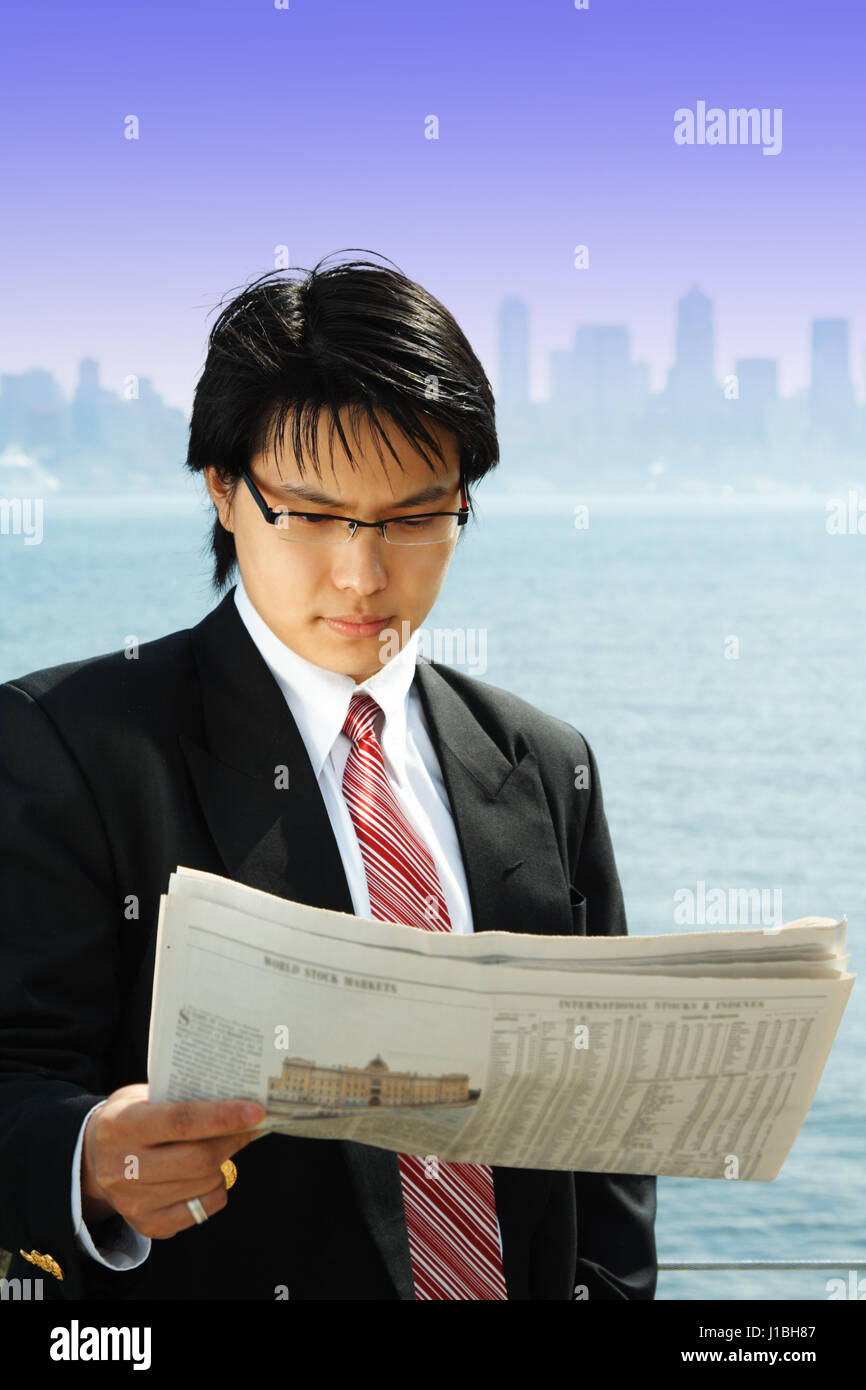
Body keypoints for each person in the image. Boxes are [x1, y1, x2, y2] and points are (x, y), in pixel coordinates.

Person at [0, 252, 657, 1300]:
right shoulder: (67, 743)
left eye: (411, 516)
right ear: (223, 490)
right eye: (306, 515)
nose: (362, 573)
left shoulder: (542, 761)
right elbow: (12, 1072)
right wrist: (86, 1154)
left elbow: (604, 1128)